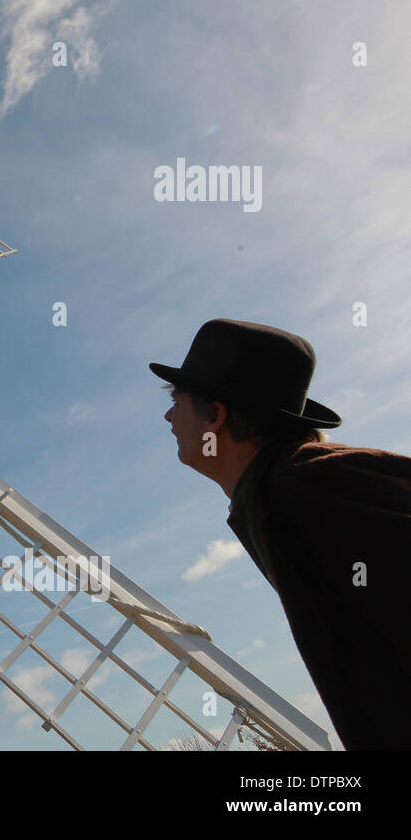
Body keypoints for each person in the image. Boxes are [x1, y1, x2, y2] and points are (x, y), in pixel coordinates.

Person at [151, 318, 411, 750]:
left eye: (177, 400)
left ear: (215, 415)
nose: (167, 415)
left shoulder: (307, 485)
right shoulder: (282, 489)